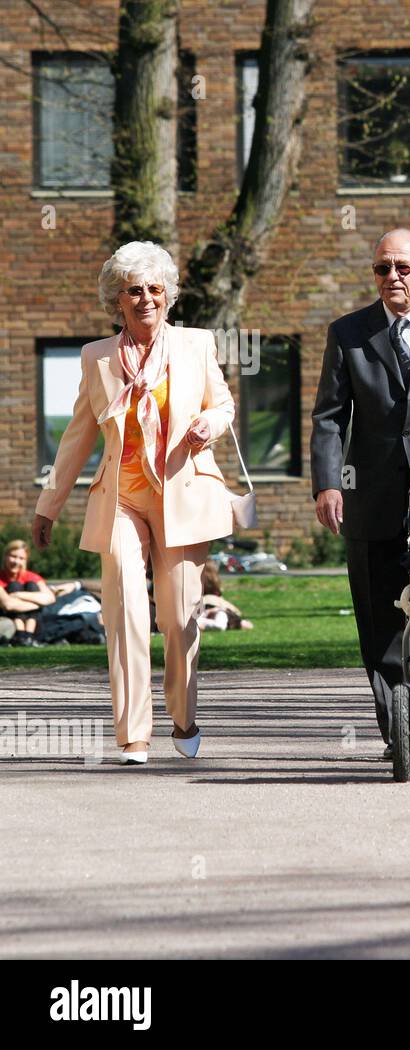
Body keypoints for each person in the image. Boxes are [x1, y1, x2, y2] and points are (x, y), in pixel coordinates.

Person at [30, 241, 236, 764]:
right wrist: (49, 504)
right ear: (117, 301)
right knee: (122, 607)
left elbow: (224, 403)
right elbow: (77, 436)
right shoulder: (96, 357)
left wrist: (206, 425)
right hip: (121, 496)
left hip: (182, 493)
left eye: (154, 289)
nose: (145, 298)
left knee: (180, 615)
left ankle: (183, 714)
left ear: (167, 295)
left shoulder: (195, 345)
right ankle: (133, 734)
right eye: (133, 291)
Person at [311, 228, 410, 760]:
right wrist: (327, 483)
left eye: (401, 266)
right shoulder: (348, 333)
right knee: (380, 616)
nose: (391, 277)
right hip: (368, 496)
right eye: (381, 268)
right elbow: (329, 416)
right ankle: (399, 728)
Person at [1, 539, 54, 645]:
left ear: (25, 560)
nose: (16, 561)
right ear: (5, 556)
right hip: (8, 619)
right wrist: (38, 604)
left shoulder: (32, 576)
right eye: (13, 556)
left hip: (35, 622)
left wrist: (18, 595)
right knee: (14, 585)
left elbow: (50, 598)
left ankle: (28, 637)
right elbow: (8, 605)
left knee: (31, 585)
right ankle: (22, 636)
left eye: (21, 558)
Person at [197, 559, 254, 631]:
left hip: (215, 610)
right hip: (210, 612)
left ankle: (237, 623)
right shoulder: (214, 591)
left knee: (219, 619)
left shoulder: (209, 595)